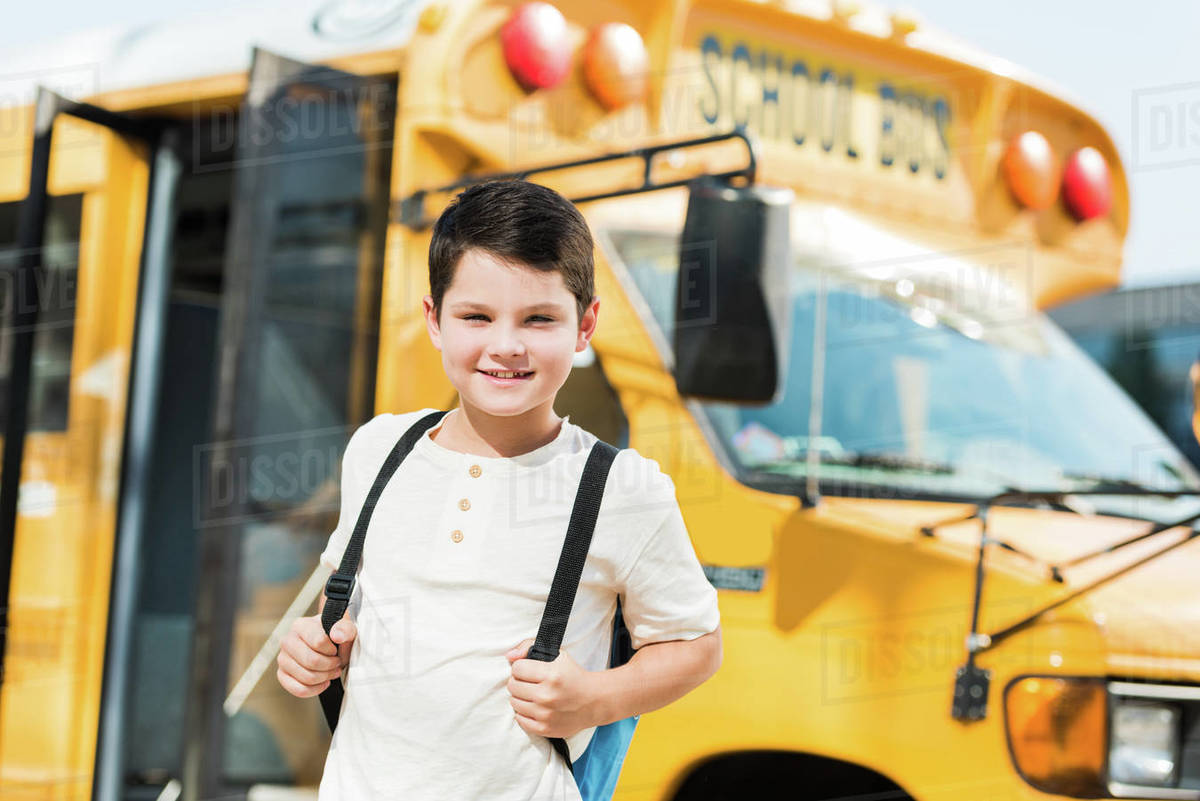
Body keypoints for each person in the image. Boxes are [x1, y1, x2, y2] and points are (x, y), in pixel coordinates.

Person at [277, 179, 722, 800]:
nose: (506, 345)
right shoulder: (378, 450)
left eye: (539, 319)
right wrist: (312, 649)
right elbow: (343, 607)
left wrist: (595, 699)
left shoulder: (622, 487)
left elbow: (696, 646)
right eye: (476, 317)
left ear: (585, 325)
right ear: (434, 320)